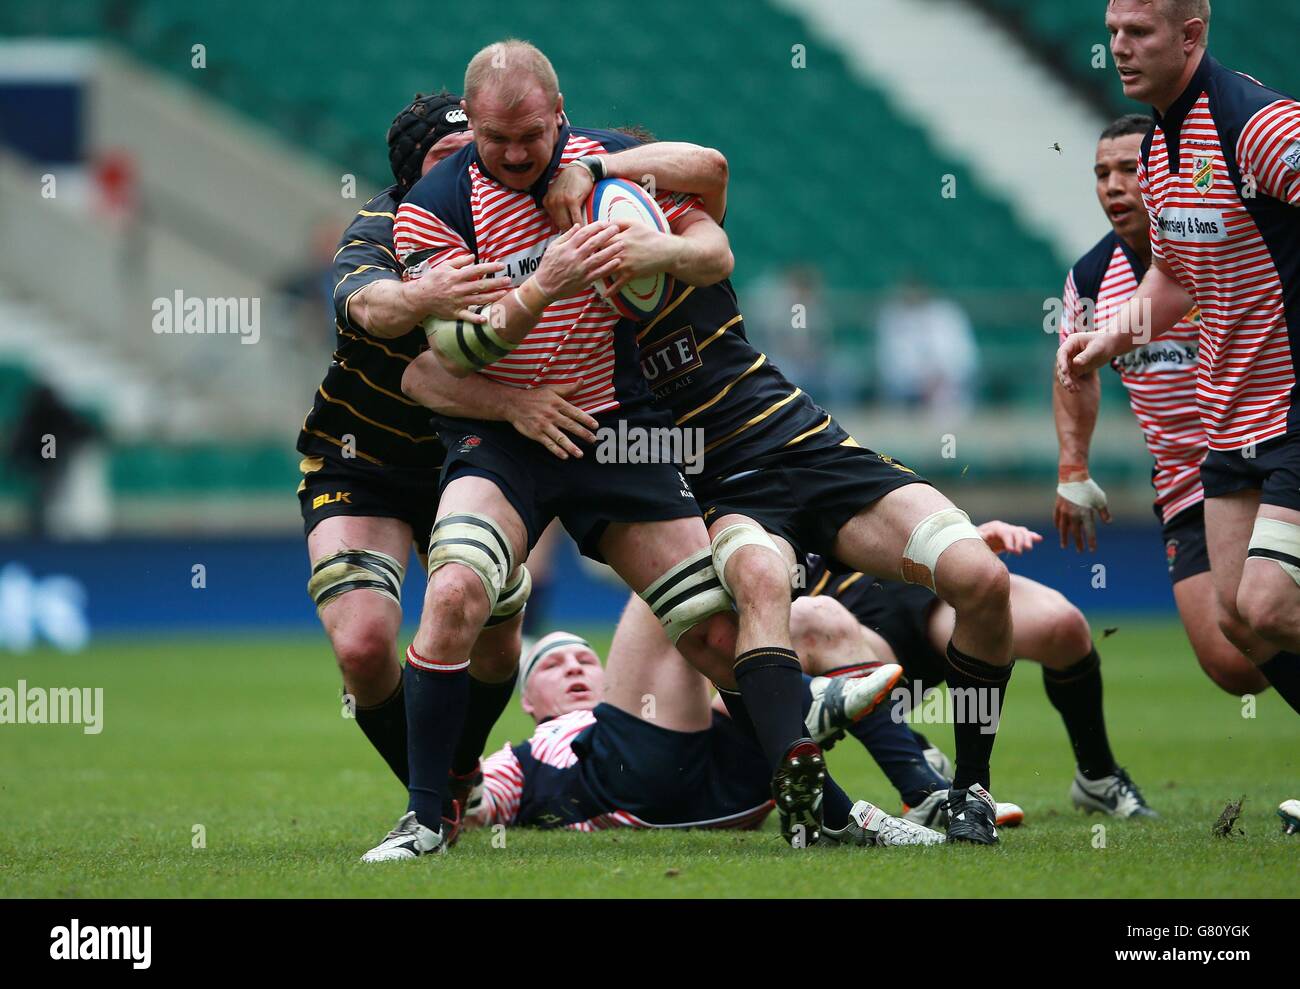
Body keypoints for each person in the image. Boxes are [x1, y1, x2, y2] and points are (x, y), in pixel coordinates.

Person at [366, 40, 823, 861]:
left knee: (718, 636)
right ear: (473, 125)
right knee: (456, 592)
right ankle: (426, 818)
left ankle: (828, 804)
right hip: (501, 434)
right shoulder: (434, 205)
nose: (513, 155)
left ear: (559, 114)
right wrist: (545, 283)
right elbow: (453, 352)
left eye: (531, 137)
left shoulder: (607, 170)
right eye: (496, 139)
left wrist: (653, 249)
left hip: (615, 425)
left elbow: (715, 246)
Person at [298, 91, 586, 832]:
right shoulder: (383, 228)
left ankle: (458, 777)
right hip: (363, 460)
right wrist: (424, 291)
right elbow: (372, 310)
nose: (467, 167)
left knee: (498, 646)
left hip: (475, 460)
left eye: (474, 151)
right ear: (407, 176)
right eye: (443, 158)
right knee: (364, 646)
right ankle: (437, 797)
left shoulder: (518, 218)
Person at [1058, 0, 1300, 720]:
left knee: (1267, 601)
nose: (1119, 49)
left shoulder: (1256, 122)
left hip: (1289, 405)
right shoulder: (1160, 150)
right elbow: (1173, 275)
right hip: (1228, 419)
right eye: (1111, 35)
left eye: (1138, 33)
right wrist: (1111, 338)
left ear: (1190, 36)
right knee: (1237, 622)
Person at [1054, 112, 1266, 696]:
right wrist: (1073, 467)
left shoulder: (1223, 245)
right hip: (1183, 482)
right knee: (1233, 665)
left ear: (1163, 171)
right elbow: (1074, 370)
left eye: (1129, 168)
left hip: (1263, 456)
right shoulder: (1092, 279)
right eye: (1101, 174)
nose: (1114, 185)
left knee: (1270, 613)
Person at [794, 519, 1155, 823]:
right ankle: (923, 777)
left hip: (912, 583)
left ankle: (1099, 776)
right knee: (830, 634)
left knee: (1063, 627)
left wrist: (961, 543)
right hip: (836, 625)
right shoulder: (747, 479)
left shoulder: (823, 452)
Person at [469, 630, 945, 846]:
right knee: (665, 586)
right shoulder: (522, 756)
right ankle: (803, 704)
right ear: (527, 701)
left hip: (737, 787)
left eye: (585, 660)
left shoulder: (647, 698)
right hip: (640, 793)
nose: (573, 666)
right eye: (551, 665)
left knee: (822, 618)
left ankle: (922, 789)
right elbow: (477, 806)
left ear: (612, 677)